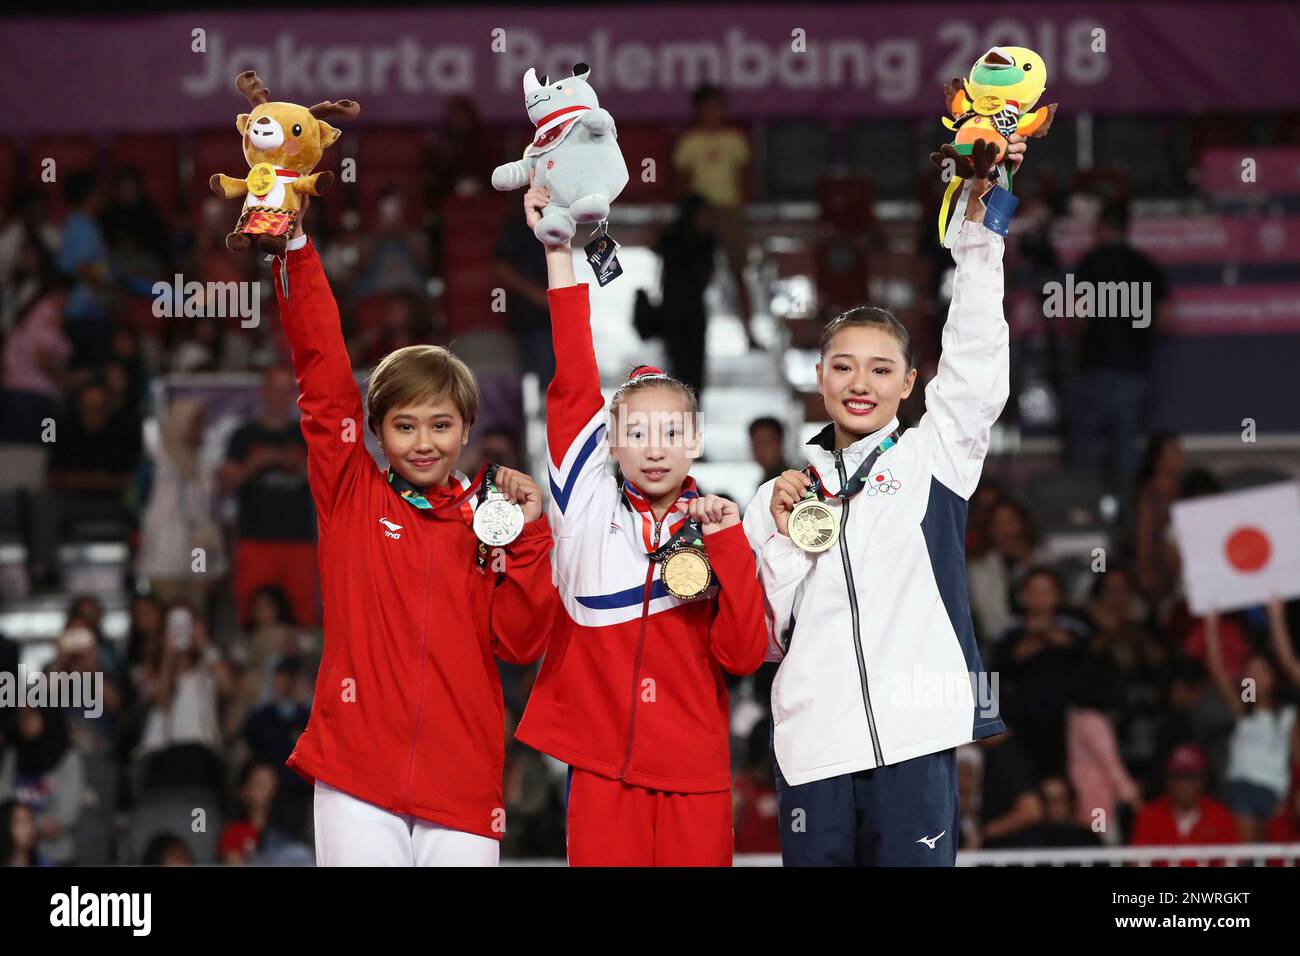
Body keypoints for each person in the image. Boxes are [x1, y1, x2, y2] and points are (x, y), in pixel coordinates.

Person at [742, 136, 1027, 866]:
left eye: (881, 368)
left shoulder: (938, 458)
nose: (859, 382)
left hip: (916, 741)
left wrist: (979, 232)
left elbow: (976, 359)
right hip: (813, 749)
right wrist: (782, 543)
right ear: (819, 378)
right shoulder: (777, 495)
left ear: (909, 385)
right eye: (842, 365)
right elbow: (764, 639)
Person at [270, 206, 558, 866]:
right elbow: (322, 380)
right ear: (377, 432)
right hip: (355, 774)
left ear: (466, 430)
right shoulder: (351, 494)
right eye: (404, 426)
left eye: (440, 425)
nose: (423, 442)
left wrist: (531, 537)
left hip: (461, 777)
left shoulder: (492, 519)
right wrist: (297, 248)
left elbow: (521, 641)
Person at [513, 178, 768, 867]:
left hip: (696, 779)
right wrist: (558, 253)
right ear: (610, 442)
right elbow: (573, 373)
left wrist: (730, 548)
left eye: (670, 432)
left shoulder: (719, 526)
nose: (654, 448)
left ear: (696, 439)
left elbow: (744, 657)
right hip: (600, 771)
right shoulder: (588, 501)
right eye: (638, 432)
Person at [1064, 198, 1171, 487]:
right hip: (1133, 371)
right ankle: (1128, 524)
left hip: (1094, 368)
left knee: (1084, 453)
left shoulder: (1090, 263)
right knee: (1126, 452)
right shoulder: (1145, 267)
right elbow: (1164, 320)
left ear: (1103, 227)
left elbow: (1078, 316)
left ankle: (1083, 516)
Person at [218, 365, 319, 629]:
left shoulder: (307, 435)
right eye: (275, 389)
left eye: (286, 390)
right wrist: (254, 464)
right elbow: (224, 486)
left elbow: (331, 484)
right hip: (255, 540)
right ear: (264, 392)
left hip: (299, 541)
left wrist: (302, 466)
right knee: (250, 611)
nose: (280, 396)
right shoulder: (243, 436)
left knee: (303, 613)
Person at [1203, 600, 1300, 842]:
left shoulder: (1288, 716)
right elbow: (1217, 668)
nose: (1255, 678)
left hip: (1276, 793)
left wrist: (1276, 616)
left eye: (1262, 672)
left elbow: (1288, 661)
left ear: (1275, 678)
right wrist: (1211, 623)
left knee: (1272, 853)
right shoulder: (1241, 713)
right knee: (1248, 853)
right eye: (1250, 672)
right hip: (1241, 790)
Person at [673, 85, 757, 348]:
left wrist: (737, 211)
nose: (713, 113)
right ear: (699, 111)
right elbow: (681, 183)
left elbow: (746, 179)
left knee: (738, 275)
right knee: (696, 277)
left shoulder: (735, 140)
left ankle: (750, 332)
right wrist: (693, 214)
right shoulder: (690, 142)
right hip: (700, 215)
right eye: (707, 107)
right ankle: (692, 333)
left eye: (717, 107)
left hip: (729, 211)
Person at [136, 396, 226, 614]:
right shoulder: (156, 461)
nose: (201, 430)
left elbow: (208, 511)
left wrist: (213, 565)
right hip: (164, 549)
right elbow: (137, 502)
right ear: (181, 423)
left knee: (197, 606)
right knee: (166, 609)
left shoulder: (205, 464)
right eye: (197, 423)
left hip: (198, 546)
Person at [1131, 744, 1241, 866]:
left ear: (1203, 780)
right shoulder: (1149, 816)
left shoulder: (1221, 816)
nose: (1186, 785)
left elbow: (1234, 860)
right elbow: (1138, 861)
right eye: (1180, 777)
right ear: (1168, 780)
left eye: (1192, 777)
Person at [654, 193, 715, 397]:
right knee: (684, 363)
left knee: (686, 364)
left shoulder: (678, 238)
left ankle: (686, 405)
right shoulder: (699, 241)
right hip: (679, 312)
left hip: (684, 312)